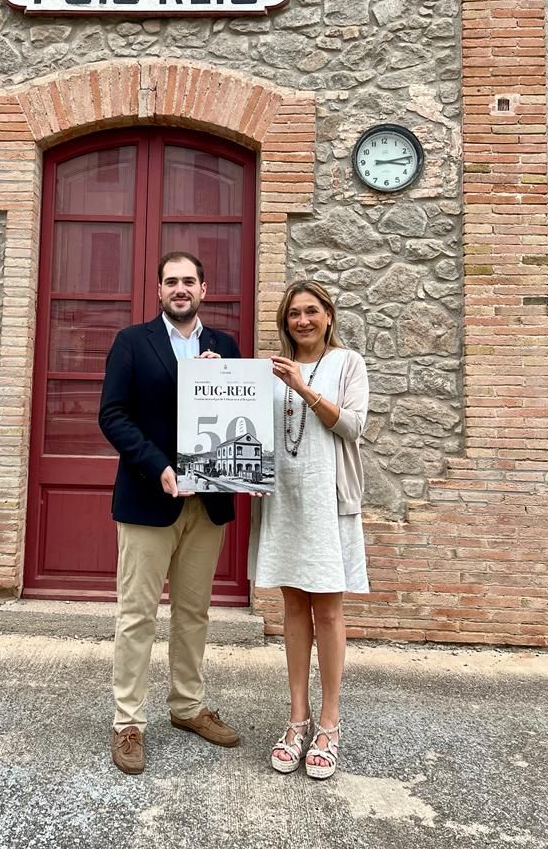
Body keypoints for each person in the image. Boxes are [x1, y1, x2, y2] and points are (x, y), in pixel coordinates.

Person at [99, 251, 242, 775]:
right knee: (137, 615)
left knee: (193, 612)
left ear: (204, 289)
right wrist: (157, 464)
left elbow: (238, 417)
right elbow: (112, 415)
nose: (180, 289)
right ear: (158, 291)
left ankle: (186, 707)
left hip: (207, 504)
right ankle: (127, 723)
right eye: (171, 282)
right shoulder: (132, 343)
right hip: (147, 499)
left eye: (189, 281)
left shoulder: (223, 346)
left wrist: (253, 472)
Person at [253, 279, 369, 780]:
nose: (302, 320)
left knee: (329, 605)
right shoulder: (270, 371)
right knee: (293, 604)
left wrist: (302, 385)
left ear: (328, 315)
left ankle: (329, 723)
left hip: (329, 500)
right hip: (285, 500)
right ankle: (297, 718)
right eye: (293, 313)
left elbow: (353, 426)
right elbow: (247, 423)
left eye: (311, 311)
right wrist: (215, 376)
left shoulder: (349, 364)